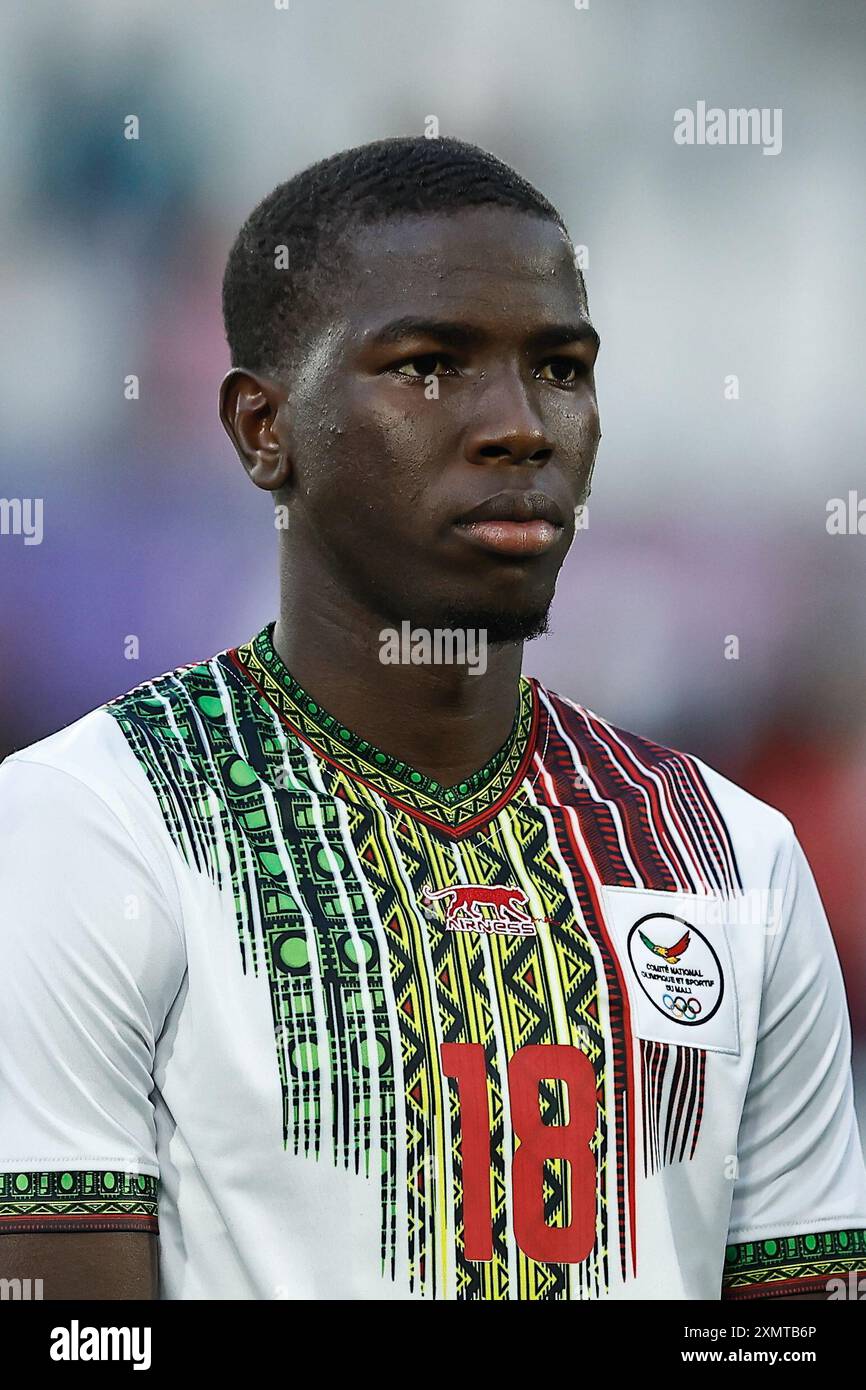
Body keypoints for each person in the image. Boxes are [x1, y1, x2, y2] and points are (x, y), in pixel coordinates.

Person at [1, 136, 864, 1301]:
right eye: (426, 366)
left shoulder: (733, 857)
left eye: (558, 368)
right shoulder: (92, 824)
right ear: (265, 428)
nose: (520, 425)